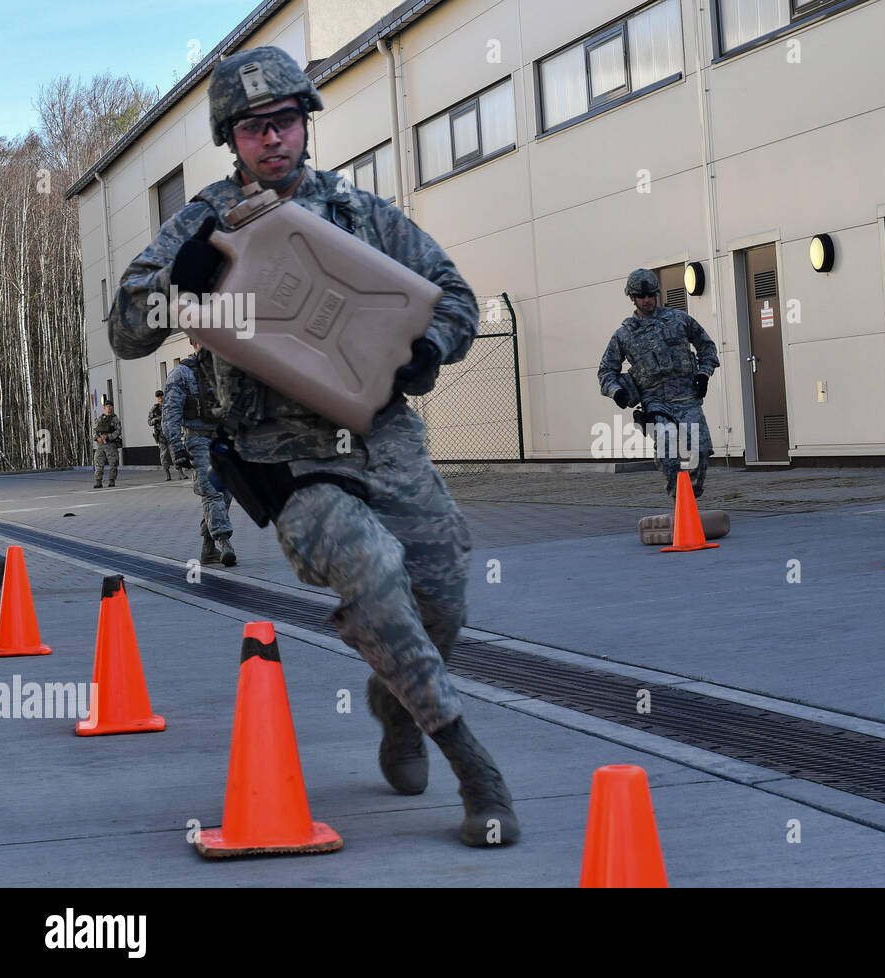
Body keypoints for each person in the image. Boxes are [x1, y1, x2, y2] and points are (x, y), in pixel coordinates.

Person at [105, 46, 517, 847]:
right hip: (286, 459)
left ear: (304, 125)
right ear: (232, 139)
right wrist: (177, 282)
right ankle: (475, 767)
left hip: (384, 438)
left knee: (444, 592)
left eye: (285, 121)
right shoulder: (207, 221)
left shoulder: (362, 214)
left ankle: (396, 704)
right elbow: (125, 328)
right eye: (255, 127)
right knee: (374, 575)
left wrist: (429, 347)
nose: (273, 139)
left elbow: (456, 296)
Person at [598, 268, 720, 498]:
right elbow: (606, 371)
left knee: (700, 451)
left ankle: (691, 499)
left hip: (687, 398)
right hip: (656, 403)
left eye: (651, 295)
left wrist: (704, 374)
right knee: (669, 449)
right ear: (632, 298)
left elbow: (707, 346)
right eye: (641, 296)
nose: (647, 300)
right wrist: (617, 393)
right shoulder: (624, 335)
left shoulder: (679, 320)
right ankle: (680, 500)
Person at [164, 341, 236, 566]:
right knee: (212, 492)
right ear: (193, 342)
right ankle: (225, 543)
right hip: (198, 439)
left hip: (224, 440)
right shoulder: (182, 374)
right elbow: (170, 413)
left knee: (226, 494)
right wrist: (176, 447)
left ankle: (208, 547)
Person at [148, 390, 183, 481]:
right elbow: (149, 422)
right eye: (158, 396)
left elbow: (176, 417)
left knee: (174, 453)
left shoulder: (169, 406)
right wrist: (156, 419)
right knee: (164, 456)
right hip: (160, 435)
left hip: (170, 433)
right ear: (156, 398)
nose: (160, 398)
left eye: (161, 396)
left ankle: (180, 472)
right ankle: (167, 474)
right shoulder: (154, 409)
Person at [91, 402, 122, 489]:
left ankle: (112, 480)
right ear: (104, 408)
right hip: (100, 445)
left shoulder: (115, 419)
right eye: (107, 406)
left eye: (110, 406)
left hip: (111, 445)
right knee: (98, 463)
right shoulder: (100, 418)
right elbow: (94, 430)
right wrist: (97, 438)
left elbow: (118, 431)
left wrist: (108, 436)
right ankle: (98, 481)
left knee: (113, 463)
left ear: (113, 407)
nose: (109, 408)